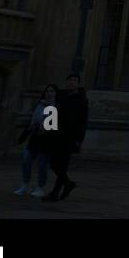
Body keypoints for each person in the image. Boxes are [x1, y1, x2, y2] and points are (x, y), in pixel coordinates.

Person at [44, 72, 88, 203]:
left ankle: (56, 192)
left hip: (70, 136)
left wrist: (79, 139)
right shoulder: (61, 95)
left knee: (61, 165)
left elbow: (83, 120)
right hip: (56, 134)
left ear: (78, 83)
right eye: (69, 80)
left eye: (74, 80)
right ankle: (67, 184)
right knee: (54, 164)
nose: (71, 82)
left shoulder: (82, 99)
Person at [15, 84, 55, 197]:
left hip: (47, 138)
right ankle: (25, 185)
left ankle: (40, 187)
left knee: (42, 164)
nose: (49, 93)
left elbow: (55, 124)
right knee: (26, 160)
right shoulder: (39, 105)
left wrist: (45, 124)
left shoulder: (56, 106)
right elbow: (32, 120)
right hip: (35, 137)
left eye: (52, 91)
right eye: (47, 91)